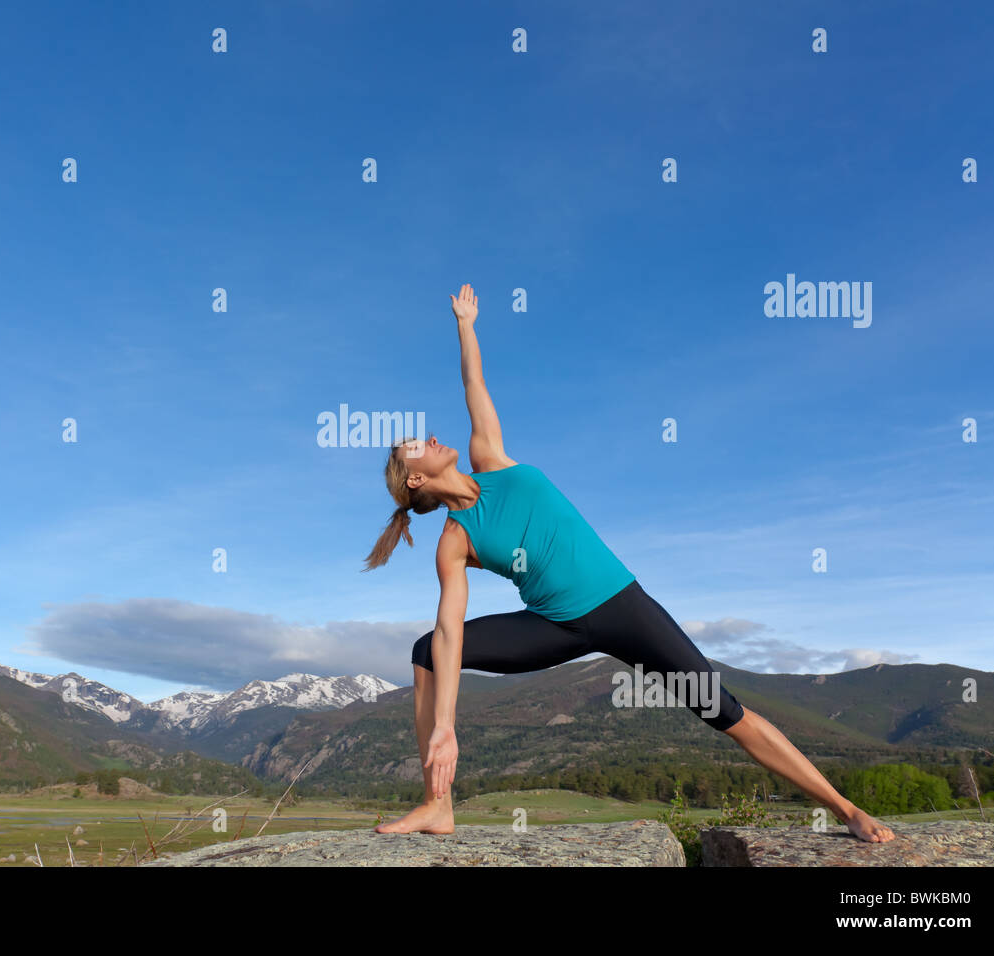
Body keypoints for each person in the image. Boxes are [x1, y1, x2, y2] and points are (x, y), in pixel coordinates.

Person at [364, 283, 895, 843]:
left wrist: (465, 324)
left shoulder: (491, 458)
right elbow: (450, 632)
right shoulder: (454, 540)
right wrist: (445, 727)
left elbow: (474, 382)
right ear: (416, 479)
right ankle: (437, 805)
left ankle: (846, 810)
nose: (425, 438)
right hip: (554, 625)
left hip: (622, 606)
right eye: (411, 447)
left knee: (724, 712)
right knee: (426, 649)